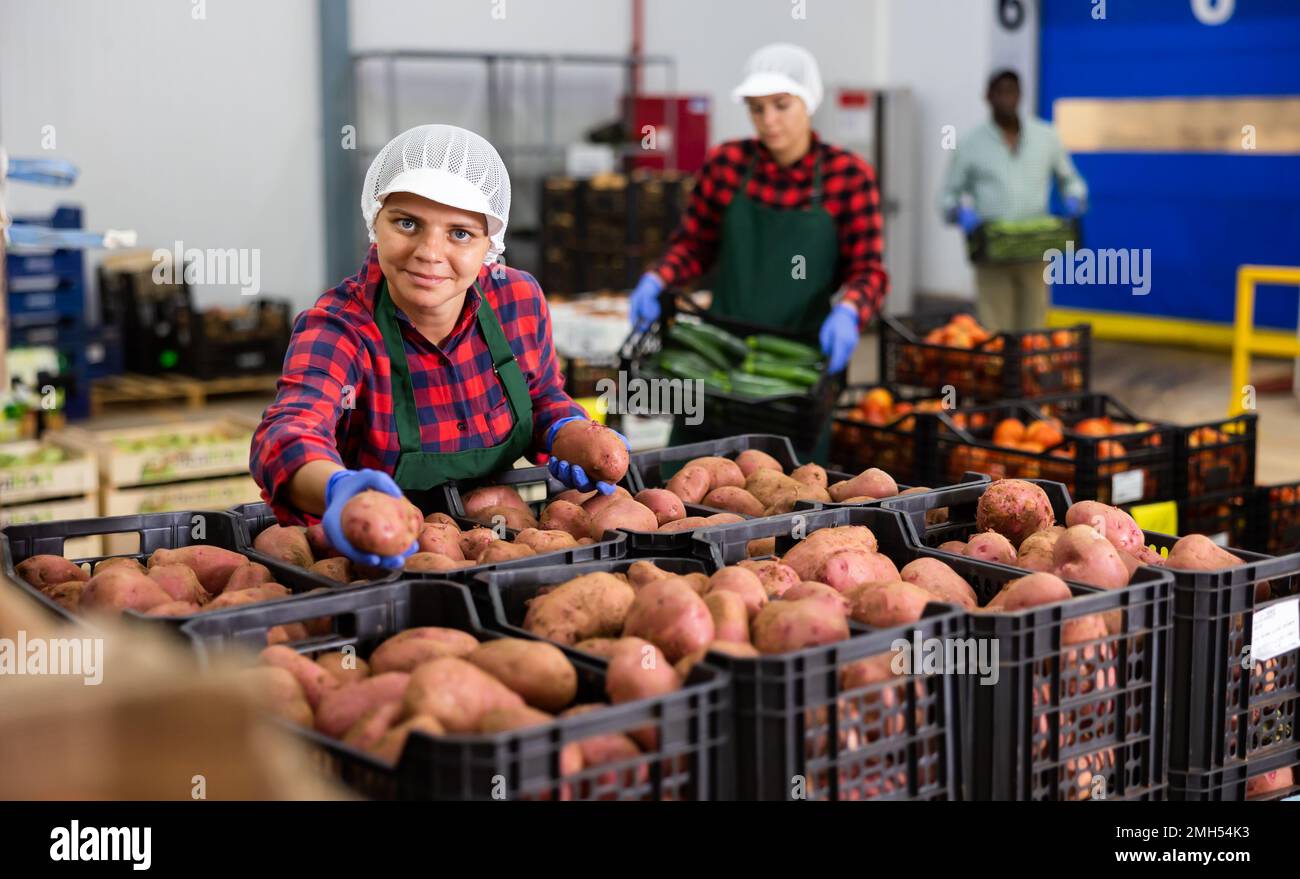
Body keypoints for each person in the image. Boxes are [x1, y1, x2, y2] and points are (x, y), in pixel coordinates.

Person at [249, 124, 626, 569]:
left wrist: (569, 431)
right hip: (382, 560)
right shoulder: (339, 327)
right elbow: (288, 433)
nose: (429, 252)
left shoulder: (517, 299)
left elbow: (541, 395)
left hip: (503, 543)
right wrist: (339, 491)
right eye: (407, 223)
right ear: (375, 221)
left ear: (491, 243)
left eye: (460, 233)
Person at [628, 43, 888, 458]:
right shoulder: (727, 164)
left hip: (795, 372)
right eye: (756, 108)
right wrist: (660, 277)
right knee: (686, 485)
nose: (768, 121)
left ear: (809, 102)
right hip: (718, 359)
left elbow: (869, 270)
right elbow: (694, 244)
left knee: (791, 493)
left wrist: (851, 310)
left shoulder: (848, 176)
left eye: (781, 105)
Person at [939, 69, 1088, 332]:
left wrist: (1075, 196)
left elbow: (1070, 179)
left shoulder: (1046, 137)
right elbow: (948, 195)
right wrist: (958, 212)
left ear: (1020, 95)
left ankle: (1026, 374)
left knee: (1032, 329)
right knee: (994, 330)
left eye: (1011, 91)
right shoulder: (970, 144)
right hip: (991, 250)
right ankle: (999, 373)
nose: (1006, 99)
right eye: (999, 92)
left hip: (1034, 249)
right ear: (987, 97)